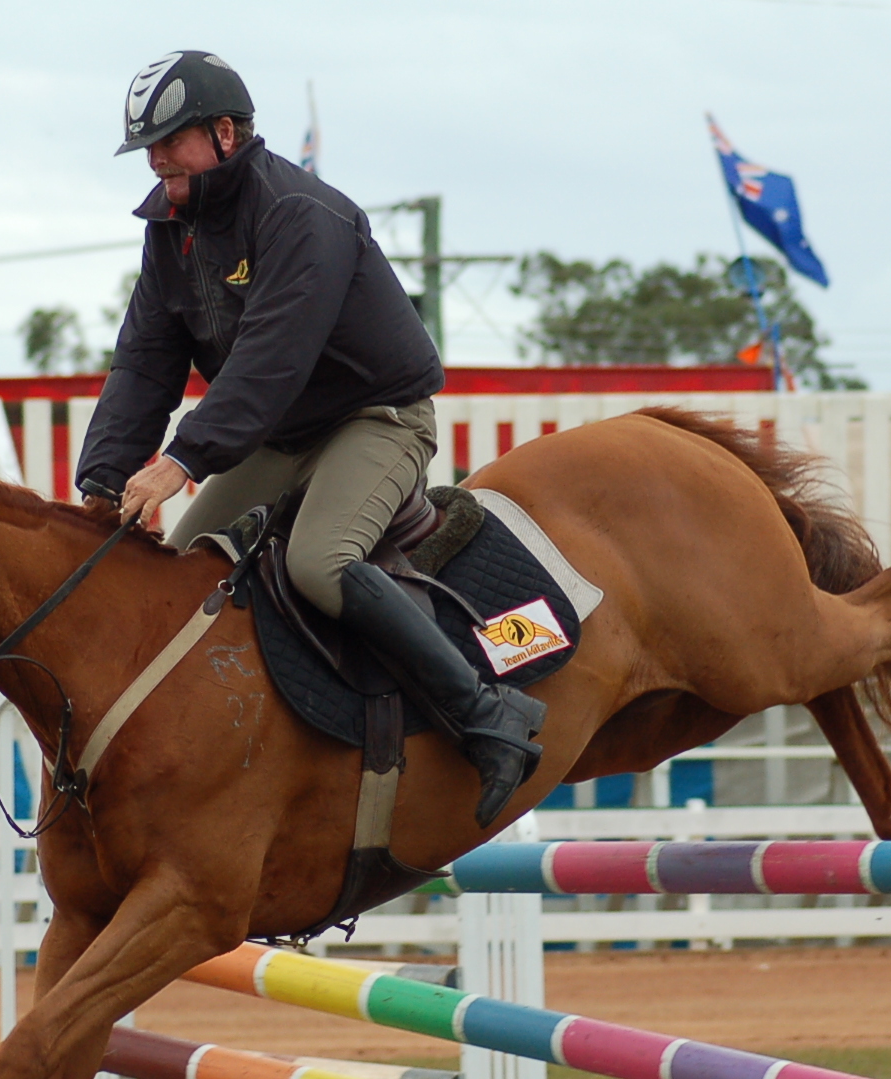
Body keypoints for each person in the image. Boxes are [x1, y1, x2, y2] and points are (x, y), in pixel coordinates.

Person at [74, 51, 545, 825]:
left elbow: (271, 359)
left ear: (226, 133)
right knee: (183, 575)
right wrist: (100, 483)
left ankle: (490, 713)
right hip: (277, 433)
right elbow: (143, 365)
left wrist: (180, 463)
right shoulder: (171, 229)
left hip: (377, 418)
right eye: (147, 149)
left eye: (170, 141)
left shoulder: (298, 212)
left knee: (320, 563)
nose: (155, 161)